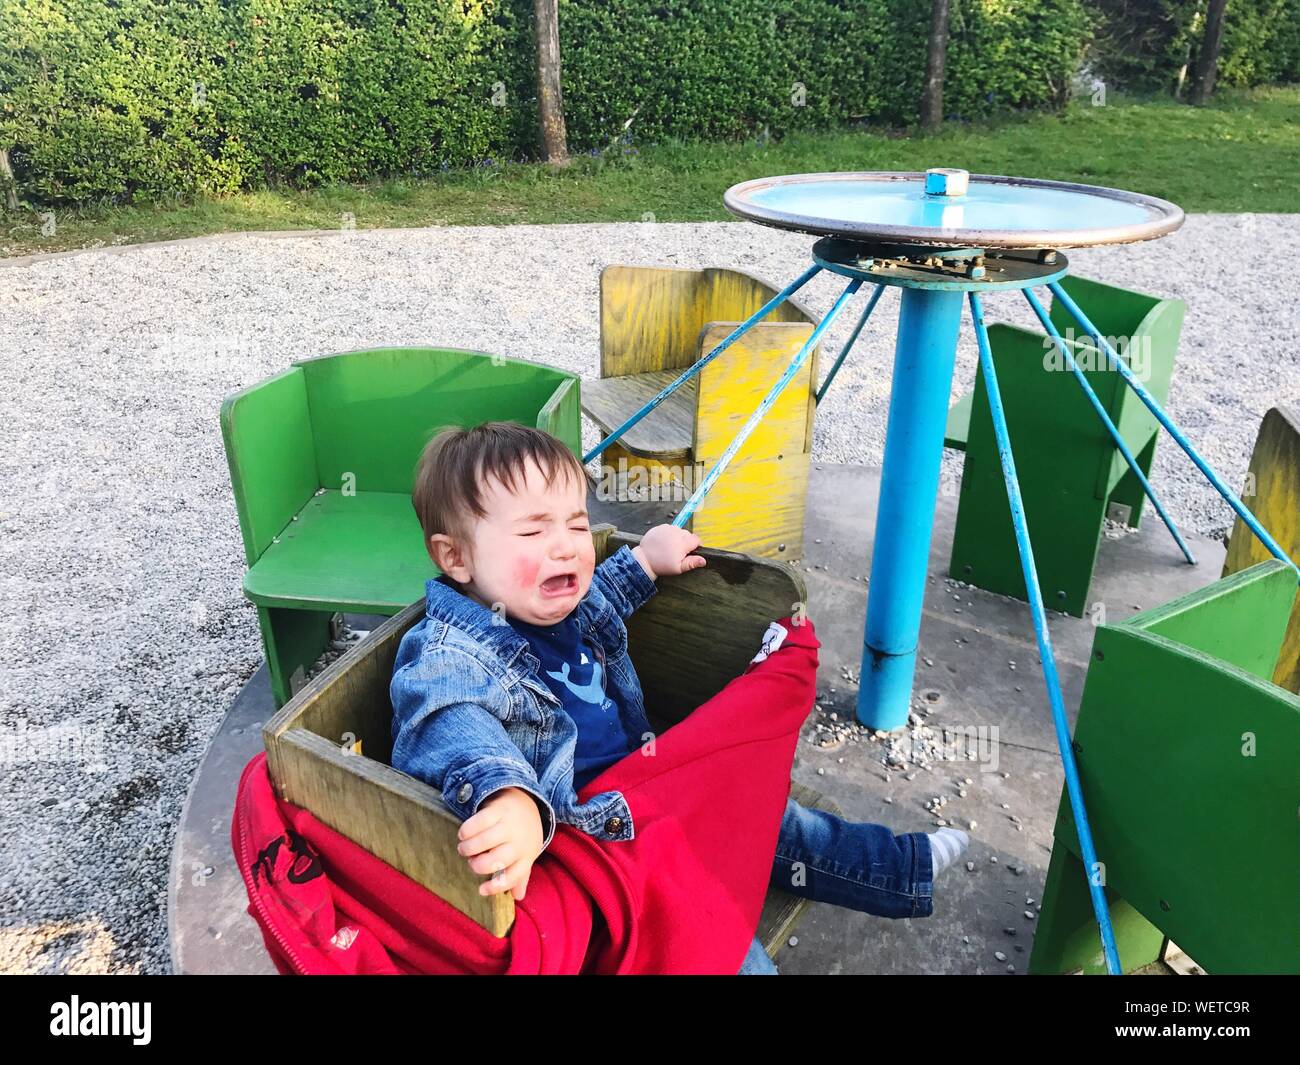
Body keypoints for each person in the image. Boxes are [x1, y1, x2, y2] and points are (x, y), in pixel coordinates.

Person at [390, 422, 969, 974]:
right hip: (589, 839)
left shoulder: (551, 602)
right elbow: (452, 724)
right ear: (456, 557)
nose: (566, 547)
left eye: (575, 523)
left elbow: (605, 597)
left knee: (768, 817)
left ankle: (895, 870)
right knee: (707, 928)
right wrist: (509, 797)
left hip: (641, 789)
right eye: (533, 531)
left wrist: (645, 560)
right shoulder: (450, 656)